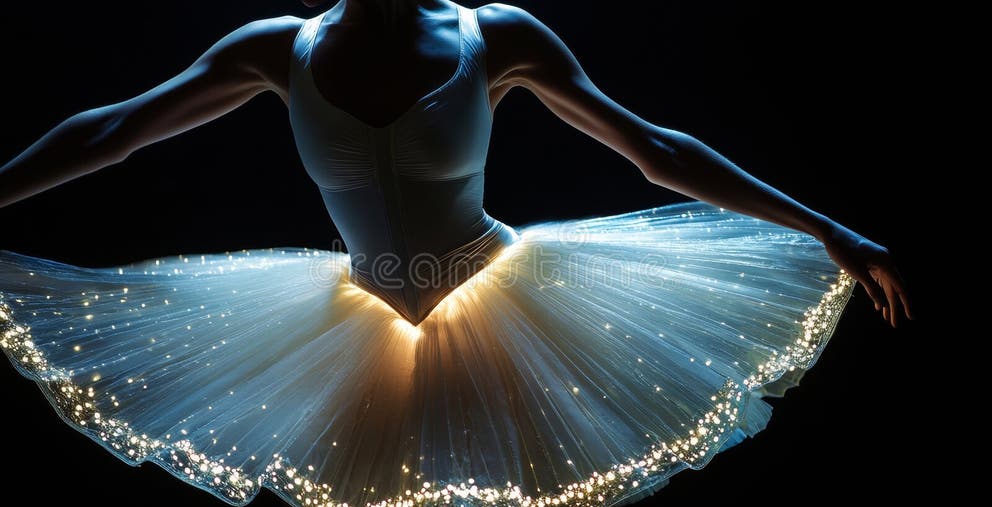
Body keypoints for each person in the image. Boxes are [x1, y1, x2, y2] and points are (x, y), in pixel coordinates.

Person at [0, 1, 912, 507]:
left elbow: (654, 148)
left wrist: (824, 227)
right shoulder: (279, 49)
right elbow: (112, 132)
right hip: (351, 330)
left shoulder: (494, 36)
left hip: (503, 310)